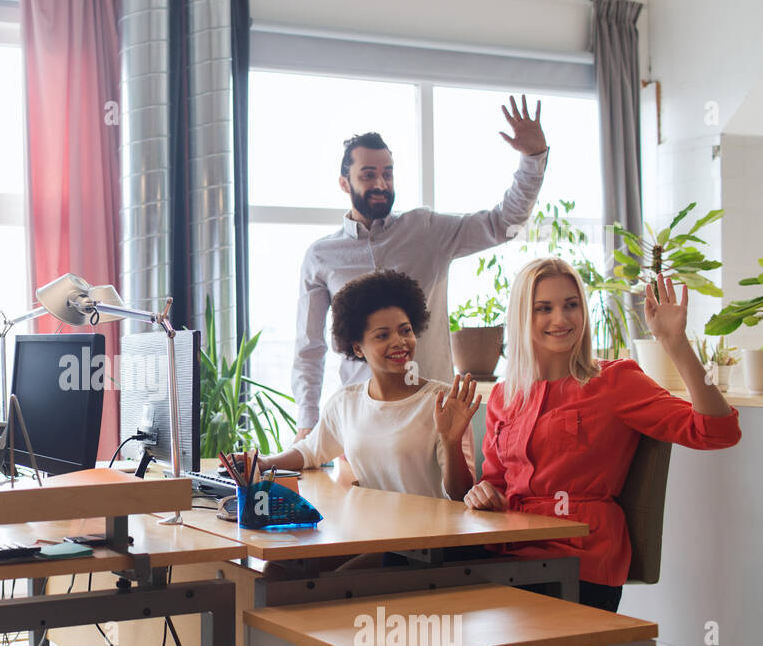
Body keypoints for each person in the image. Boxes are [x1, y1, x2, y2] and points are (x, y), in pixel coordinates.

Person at [465, 258, 742, 612]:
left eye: (571, 305)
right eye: (543, 309)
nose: (561, 319)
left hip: (579, 559)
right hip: (508, 551)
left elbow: (718, 432)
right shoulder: (505, 395)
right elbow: (496, 486)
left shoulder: (615, 381)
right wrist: (483, 495)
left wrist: (676, 344)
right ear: (522, 317)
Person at [293, 95, 549, 443]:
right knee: (357, 500)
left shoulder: (427, 230)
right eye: (368, 175)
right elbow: (309, 348)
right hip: (359, 424)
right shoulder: (321, 255)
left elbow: (503, 223)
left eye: (387, 173)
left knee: (445, 499)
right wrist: (307, 427)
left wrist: (532, 160)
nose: (381, 184)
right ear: (344, 183)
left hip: (434, 413)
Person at [255, 270, 480, 502]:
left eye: (406, 330)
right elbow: (310, 451)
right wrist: (263, 463)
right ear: (358, 348)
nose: (399, 342)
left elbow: (460, 494)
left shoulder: (442, 402)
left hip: (429, 535)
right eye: (382, 336)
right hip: (367, 532)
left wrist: (451, 442)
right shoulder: (346, 402)